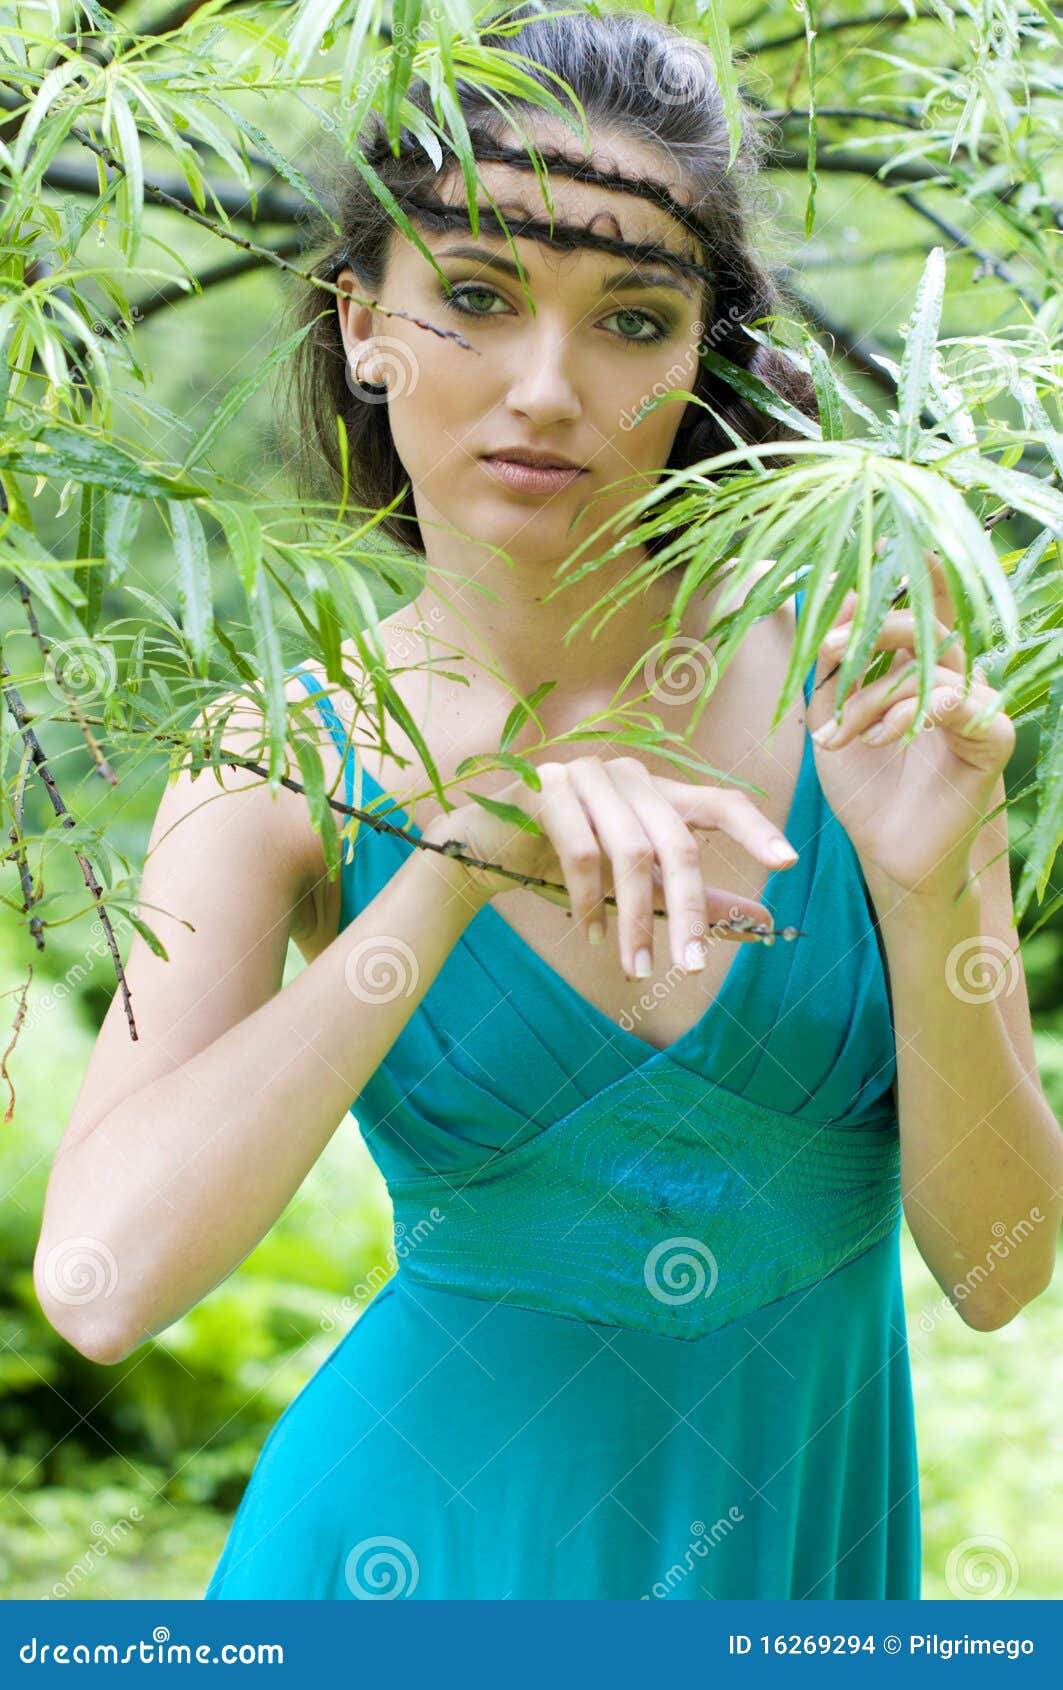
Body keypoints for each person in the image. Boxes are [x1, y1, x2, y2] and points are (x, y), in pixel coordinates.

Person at [35, 3, 1059, 1602]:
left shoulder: (866, 700)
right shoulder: (283, 759)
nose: (546, 386)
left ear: (700, 351)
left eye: (631, 319)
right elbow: (100, 1287)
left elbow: (998, 1278)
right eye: (473, 298)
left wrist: (929, 888)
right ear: (358, 320)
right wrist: (443, 873)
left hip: (794, 1580)